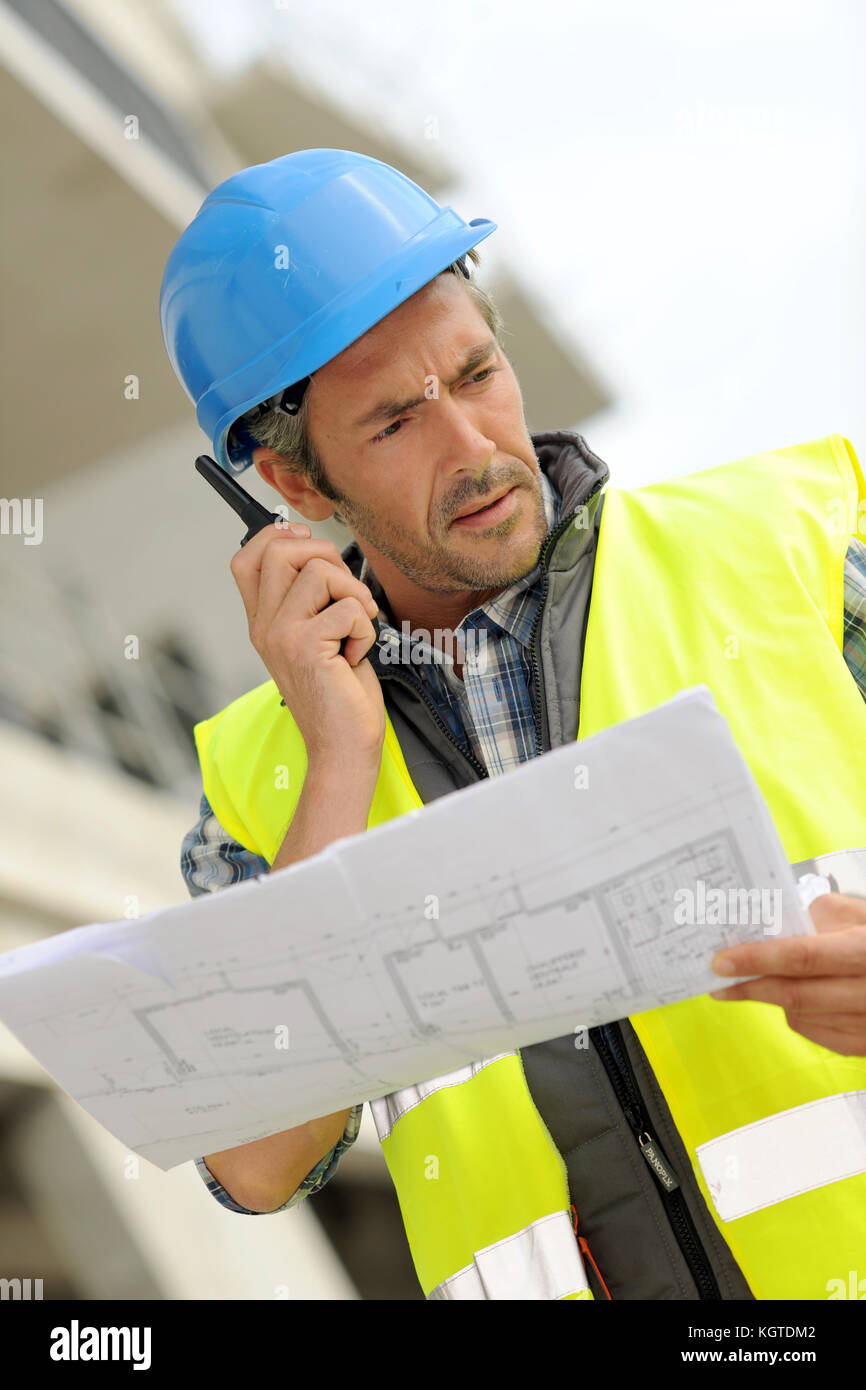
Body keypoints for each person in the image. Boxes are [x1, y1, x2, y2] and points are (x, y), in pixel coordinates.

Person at [161, 148, 866, 1301]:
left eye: (476, 371)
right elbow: (250, 1161)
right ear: (292, 488)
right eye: (395, 422)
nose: (474, 446)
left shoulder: (784, 550)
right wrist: (340, 749)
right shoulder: (261, 775)